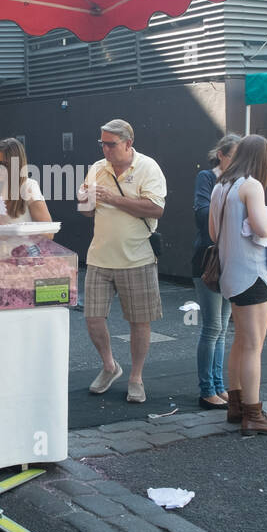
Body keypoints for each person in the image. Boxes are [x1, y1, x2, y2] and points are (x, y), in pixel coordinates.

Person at [77, 119, 166, 404]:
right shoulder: (96, 168)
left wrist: (113, 199)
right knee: (92, 318)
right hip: (100, 256)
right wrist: (84, 201)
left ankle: (136, 377)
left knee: (139, 321)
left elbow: (156, 209)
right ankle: (109, 366)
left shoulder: (148, 167)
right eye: (101, 143)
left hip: (137, 256)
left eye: (111, 144)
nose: (105, 149)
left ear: (128, 144)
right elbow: (88, 213)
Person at [208, 134, 267, 436]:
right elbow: (262, 228)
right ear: (263, 160)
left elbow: (214, 234)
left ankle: (236, 405)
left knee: (241, 341)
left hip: (229, 273)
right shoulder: (251, 186)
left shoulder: (221, 186)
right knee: (253, 345)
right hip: (253, 274)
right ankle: (252, 414)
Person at [192, 134, 240, 409]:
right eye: (234, 155)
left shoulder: (239, 182)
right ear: (221, 154)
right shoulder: (207, 179)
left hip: (230, 258)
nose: (238, 162)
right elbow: (202, 215)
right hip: (208, 259)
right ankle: (207, 389)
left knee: (221, 329)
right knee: (212, 328)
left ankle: (218, 385)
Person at [0, 138, 52, 227]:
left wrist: (17, 234)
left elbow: (48, 232)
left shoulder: (28, 186)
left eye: (3, 164)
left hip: (20, 241)